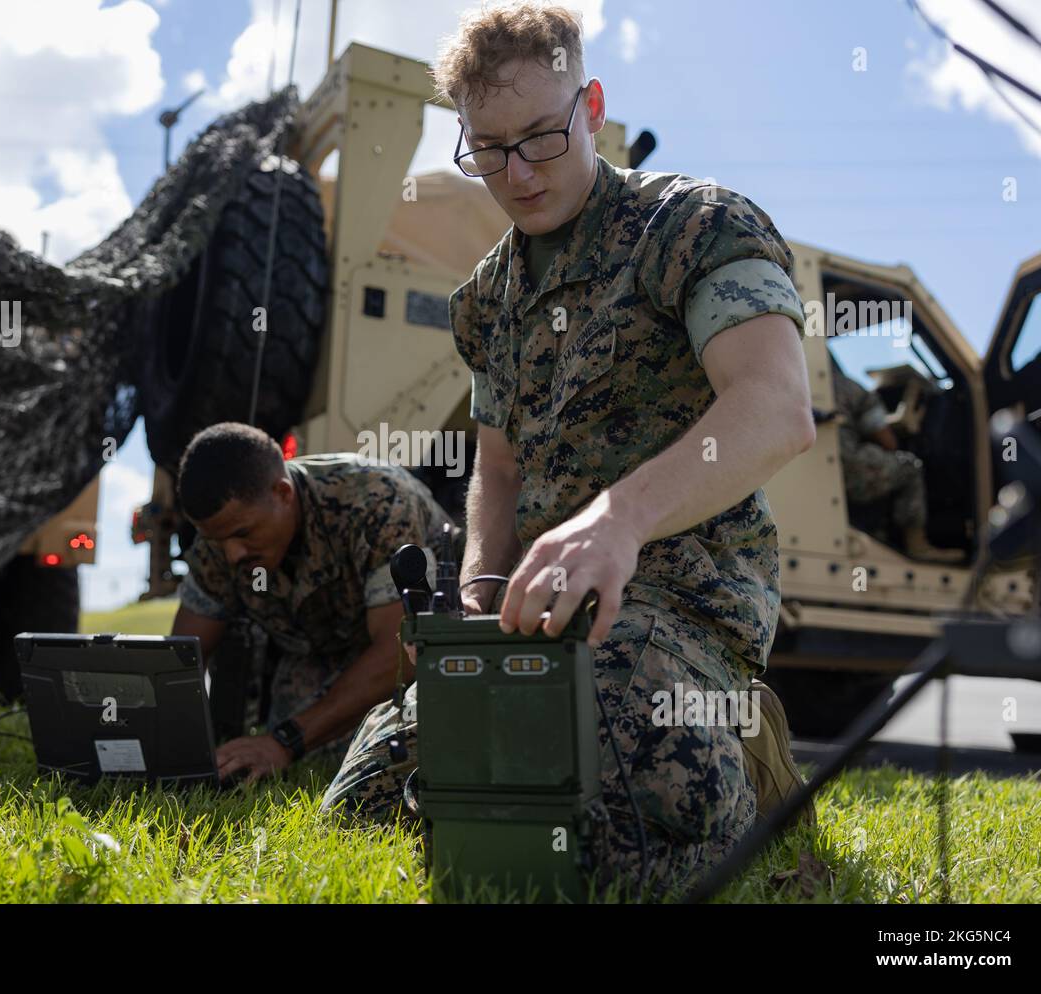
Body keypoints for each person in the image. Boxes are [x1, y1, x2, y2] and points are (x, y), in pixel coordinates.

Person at [322, 1, 815, 897]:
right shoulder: (486, 298)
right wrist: (476, 592)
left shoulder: (694, 228)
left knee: (610, 825)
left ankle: (749, 745)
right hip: (535, 611)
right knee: (372, 805)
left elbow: (777, 408)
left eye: (543, 137)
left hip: (675, 602)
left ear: (590, 107)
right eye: (489, 148)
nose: (518, 172)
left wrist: (617, 522)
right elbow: (498, 467)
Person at [170, 422, 457, 782]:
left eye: (243, 534)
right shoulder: (224, 539)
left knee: (386, 756)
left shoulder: (376, 500)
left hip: (430, 649)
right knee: (310, 757)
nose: (232, 555)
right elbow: (180, 660)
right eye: (218, 541)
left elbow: (401, 650)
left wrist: (284, 741)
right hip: (327, 649)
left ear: (283, 493)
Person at [830, 361, 962, 563]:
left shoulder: (800, 384)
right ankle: (916, 545)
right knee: (909, 467)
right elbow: (888, 442)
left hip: (822, 477)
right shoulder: (851, 388)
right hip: (848, 472)